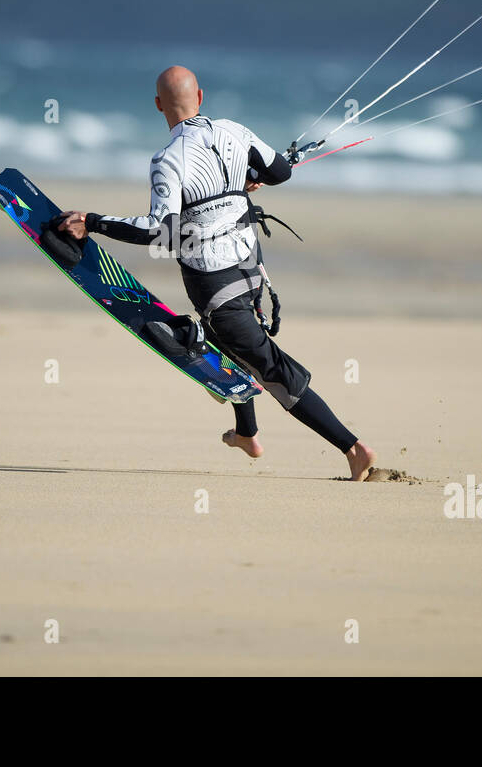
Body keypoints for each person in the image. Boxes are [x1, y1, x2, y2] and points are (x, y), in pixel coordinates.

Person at [57, 66, 377, 481]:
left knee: (271, 368)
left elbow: (162, 232)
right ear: (201, 97)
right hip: (251, 272)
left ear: (158, 105)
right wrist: (243, 179)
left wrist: (94, 221)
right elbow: (281, 171)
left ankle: (353, 448)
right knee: (234, 350)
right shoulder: (234, 132)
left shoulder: (167, 160)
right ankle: (247, 433)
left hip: (216, 286)